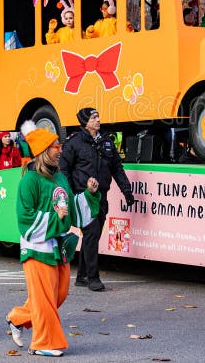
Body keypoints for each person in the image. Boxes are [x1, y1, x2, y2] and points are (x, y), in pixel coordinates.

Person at [6, 120, 100, 357]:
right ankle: (42, 344)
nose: (60, 149)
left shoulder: (59, 177)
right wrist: (54, 218)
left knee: (59, 295)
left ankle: (17, 318)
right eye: (56, 145)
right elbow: (24, 218)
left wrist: (90, 194)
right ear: (44, 151)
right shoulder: (29, 180)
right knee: (46, 300)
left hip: (59, 248)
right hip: (37, 248)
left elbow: (72, 209)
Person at [59, 107, 135, 291]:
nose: (98, 120)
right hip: (84, 196)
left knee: (92, 236)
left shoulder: (107, 141)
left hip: (102, 196)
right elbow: (64, 169)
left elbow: (117, 168)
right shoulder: (74, 143)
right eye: (94, 117)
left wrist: (127, 192)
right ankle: (93, 278)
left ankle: (82, 275)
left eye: (98, 116)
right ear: (85, 122)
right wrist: (70, 194)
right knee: (91, 232)